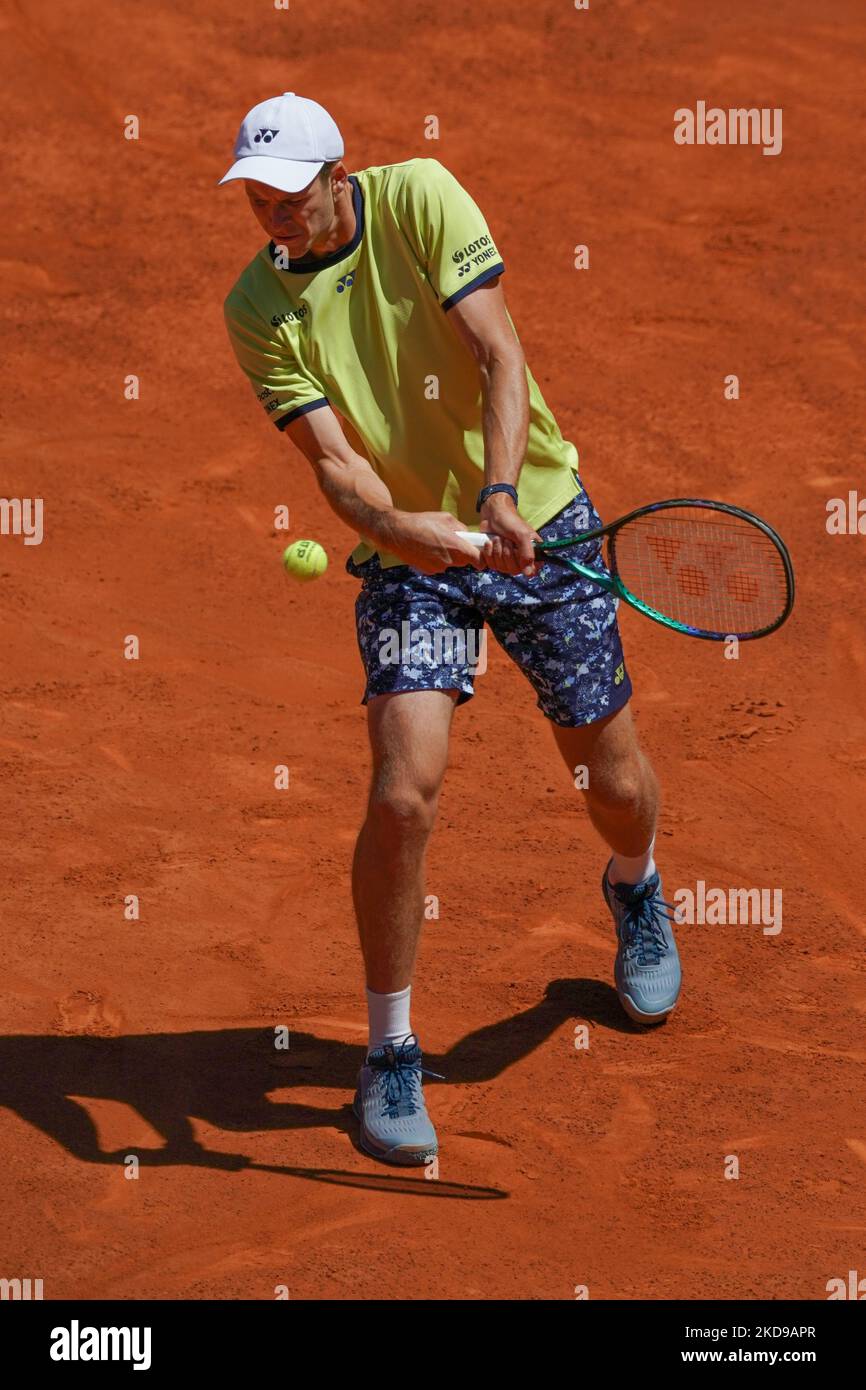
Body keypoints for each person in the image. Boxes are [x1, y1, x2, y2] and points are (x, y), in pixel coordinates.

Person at [221, 92, 681, 1166]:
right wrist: (405, 529)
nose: (273, 216)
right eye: (256, 197)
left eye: (290, 195)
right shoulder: (255, 307)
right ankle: (388, 1051)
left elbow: (497, 356)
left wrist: (500, 496)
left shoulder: (420, 197)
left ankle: (636, 887)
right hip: (410, 558)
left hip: (532, 515)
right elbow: (333, 464)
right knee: (400, 787)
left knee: (606, 775)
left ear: (341, 174)